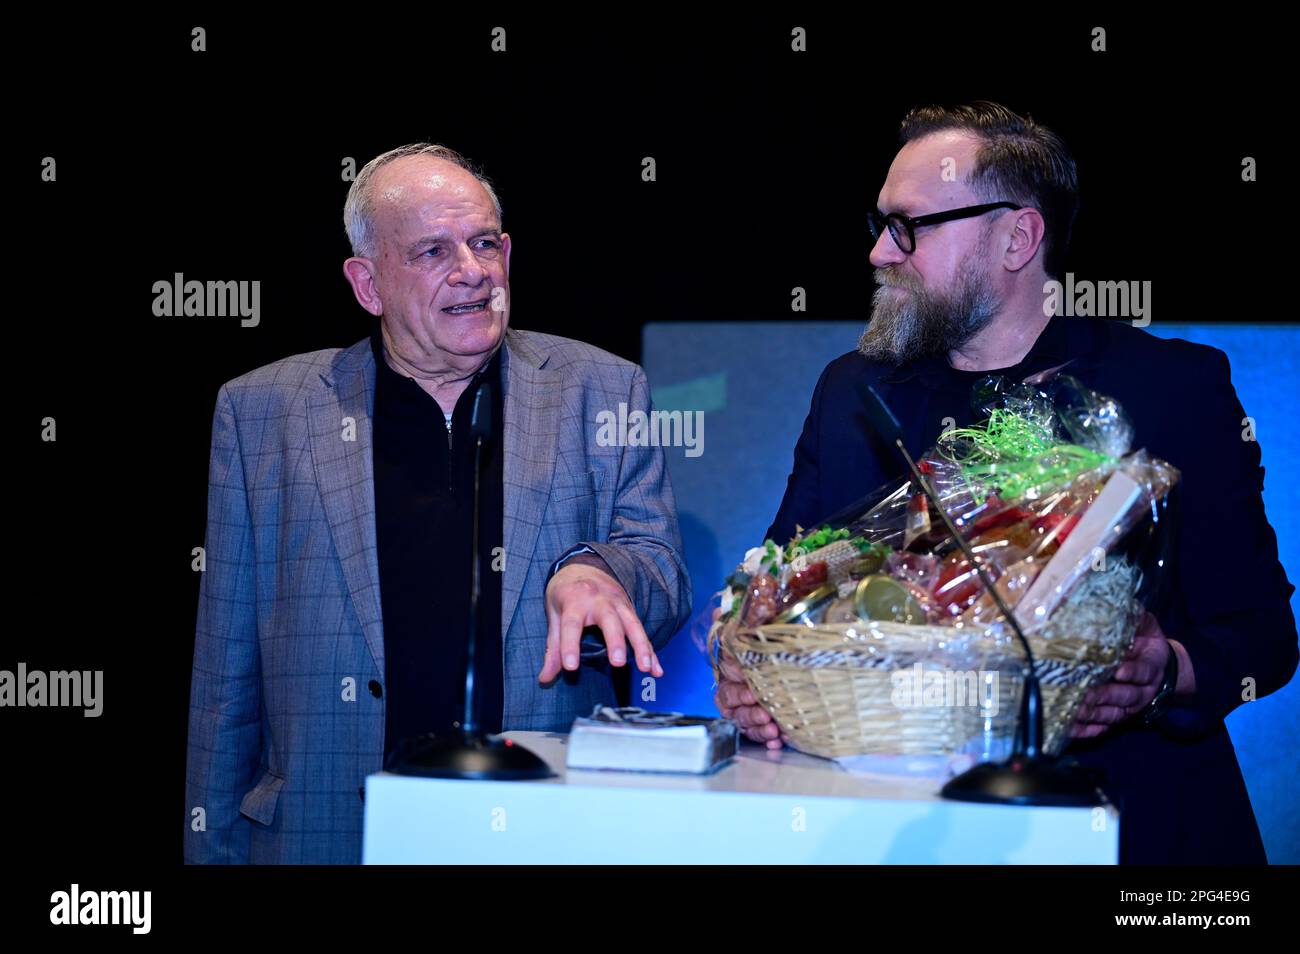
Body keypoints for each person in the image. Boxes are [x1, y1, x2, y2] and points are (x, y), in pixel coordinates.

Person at [715, 103, 1297, 864]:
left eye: (910, 226)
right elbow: (778, 590)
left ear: (1018, 237)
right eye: (879, 225)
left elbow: (1263, 635)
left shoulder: (1171, 389)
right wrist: (743, 661)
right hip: (893, 833)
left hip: (1133, 832)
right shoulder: (852, 393)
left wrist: (1167, 673)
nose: (880, 254)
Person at [185, 144, 691, 863]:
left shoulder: (603, 390)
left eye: (485, 243)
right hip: (325, 829)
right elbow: (224, 672)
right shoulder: (263, 413)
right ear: (367, 283)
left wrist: (598, 570)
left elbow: (662, 573)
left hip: (542, 827)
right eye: (432, 251)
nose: (473, 270)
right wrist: (210, 849)